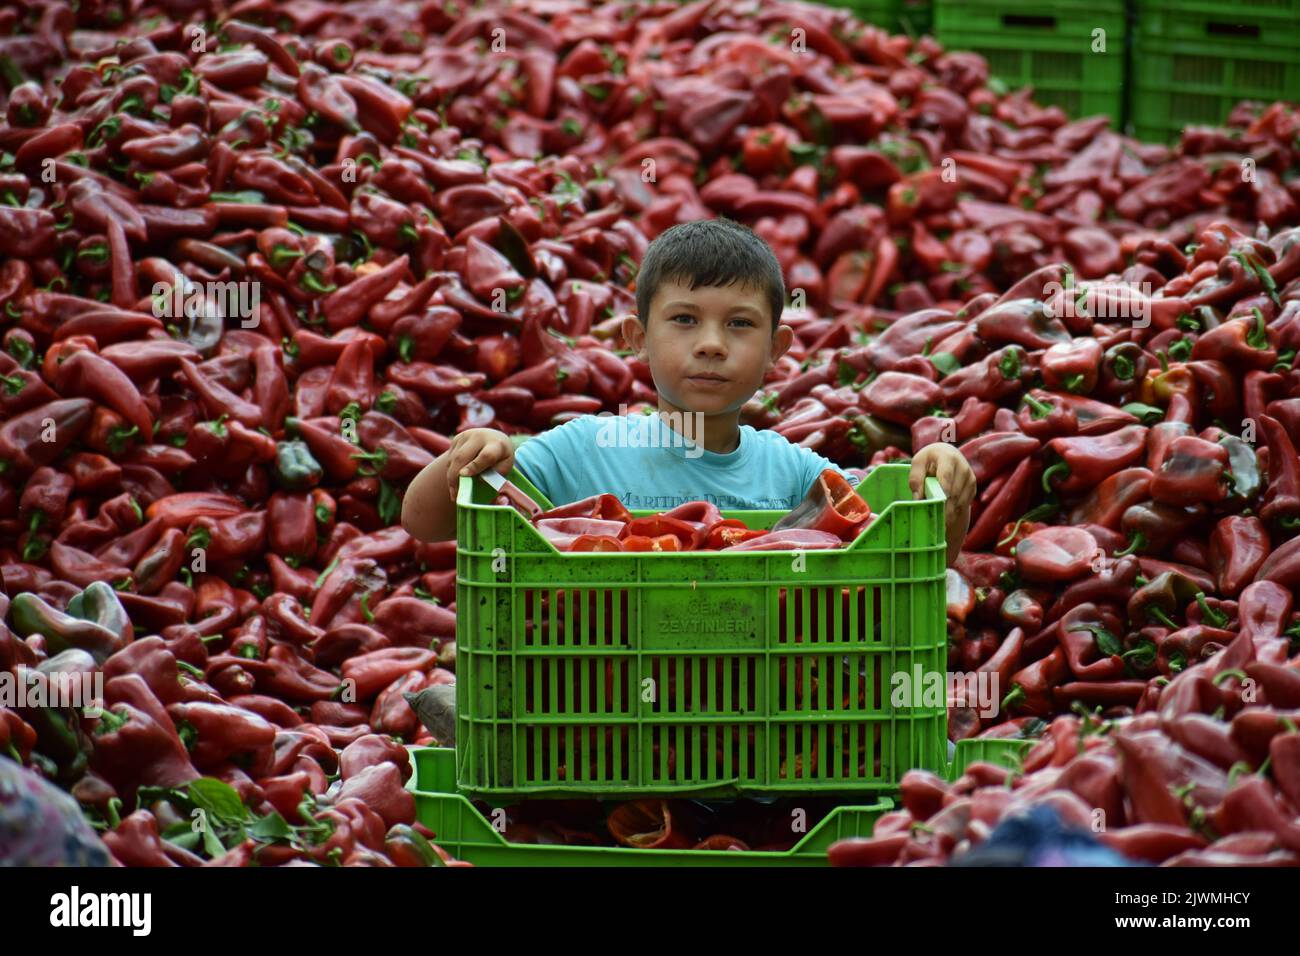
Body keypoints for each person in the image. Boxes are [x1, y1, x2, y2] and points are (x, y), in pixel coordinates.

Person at [403, 217, 975, 562]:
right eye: (683, 320)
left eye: (740, 324)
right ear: (637, 338)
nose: (710, 344)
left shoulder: (798, 473)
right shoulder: (579, 449)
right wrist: (467, 454)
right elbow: (422, 522)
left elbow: (911, 559)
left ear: (778, 351)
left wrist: (949, 489)